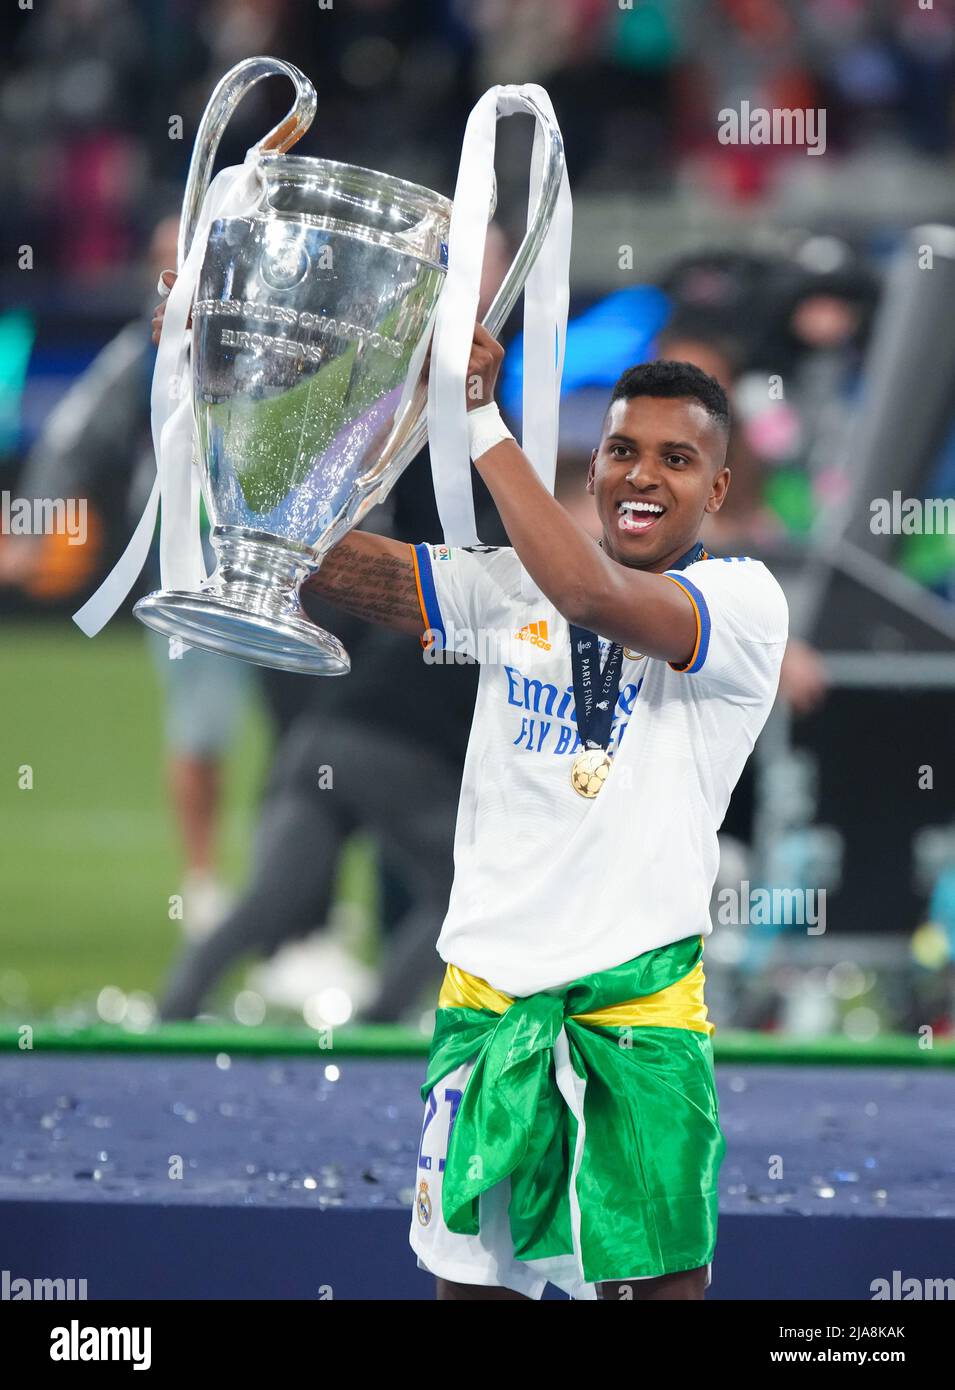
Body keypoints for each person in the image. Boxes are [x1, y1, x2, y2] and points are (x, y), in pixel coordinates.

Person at [153, 293, 787, 1298]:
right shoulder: (507, 588)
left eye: (677, 459)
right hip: (487, 1008)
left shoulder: (743, 604)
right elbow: (311, 561)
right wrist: (213, 413)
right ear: (594, 467)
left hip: (637, 1027)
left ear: (716, 487)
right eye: (624, 450)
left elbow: (596, 599)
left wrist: (478, 418)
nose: (643, 474)